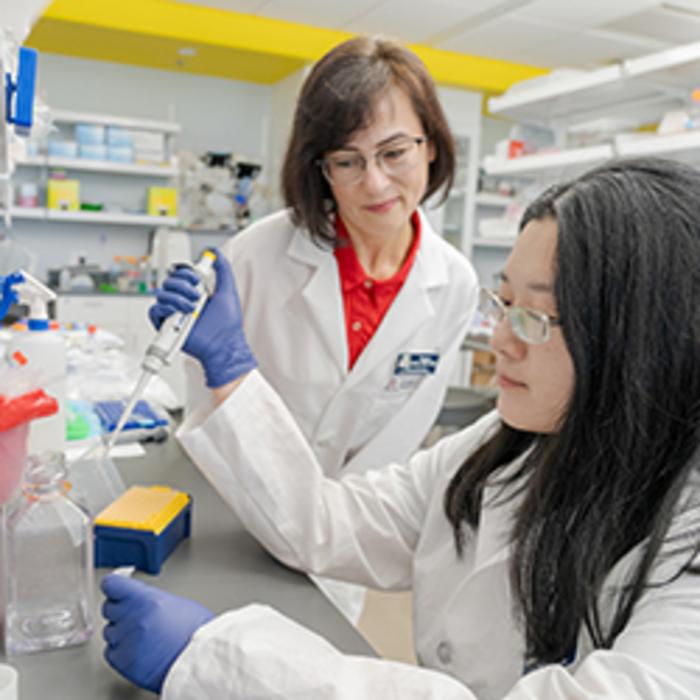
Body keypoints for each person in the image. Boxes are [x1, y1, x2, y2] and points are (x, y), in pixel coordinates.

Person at [102, 157, 700, 698]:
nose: (499, 342)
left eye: (535, 318)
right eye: (504, 303)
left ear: (647, 343)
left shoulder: (688, 543)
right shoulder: (506, 447)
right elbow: (326, 525)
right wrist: (230, 368)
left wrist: (226, 662)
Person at [154, 35, 478, 624]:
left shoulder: (453, 282)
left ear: (431, 147)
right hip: (233, 511)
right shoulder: (256, 255)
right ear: (320, 169)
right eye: (347, 161)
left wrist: (318, 526)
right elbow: (207, 394)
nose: (375, 184)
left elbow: (397, 444)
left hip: (344, 532)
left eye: (394, 152)